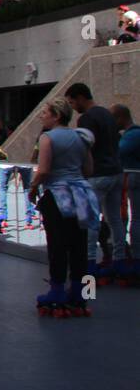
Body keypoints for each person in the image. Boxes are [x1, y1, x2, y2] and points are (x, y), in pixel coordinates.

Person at [29, 98, 99, 316]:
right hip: (81, 194)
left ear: (56, 115)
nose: (42, 116)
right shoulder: (81, 137)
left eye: (45, 112)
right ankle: (80, 294)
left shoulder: (47, 138)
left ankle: (57, 291)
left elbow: (44, 170)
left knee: (57, 245)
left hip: (58, 196)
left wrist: (33, 188)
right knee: (79, 245)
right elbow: (88, 169)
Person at [65, 83, 125, 280]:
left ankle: (89, 266)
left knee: (90, 221)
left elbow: (84, 147)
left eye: (72, 102)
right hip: (116, 172)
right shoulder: (107, 114)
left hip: (98, 174)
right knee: (115, 219)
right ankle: (119, 260)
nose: (73, 107)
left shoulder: (87, 119)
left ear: (80, 97)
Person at [114, 104, 140, 280]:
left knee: (136, 218)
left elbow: (118, 153)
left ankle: (136, 256)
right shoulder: (132, 135)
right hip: (131, 177)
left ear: (121, 118)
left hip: (133, 177)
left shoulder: (133, 135)